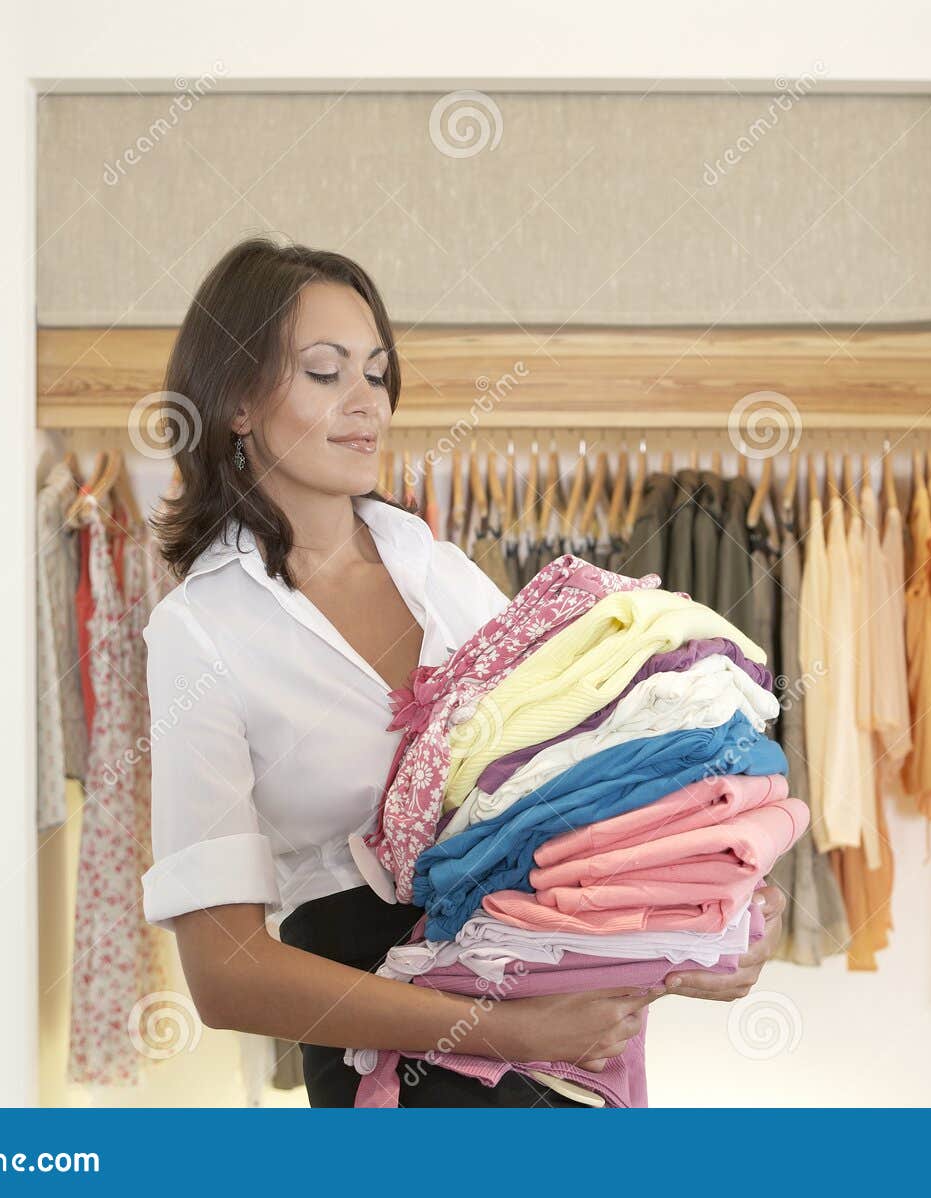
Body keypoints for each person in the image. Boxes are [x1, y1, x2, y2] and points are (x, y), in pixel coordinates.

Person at [141, 236, 786, 1106]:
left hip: (565, 1051)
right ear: (239, 402)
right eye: (325, 372)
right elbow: (224, 975)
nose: (366, 401)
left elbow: (573, 794)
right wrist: (505, 1032)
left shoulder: (444, 576)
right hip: (396, 1066)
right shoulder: (202, 632)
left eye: (376, 372)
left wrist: (716, 917)